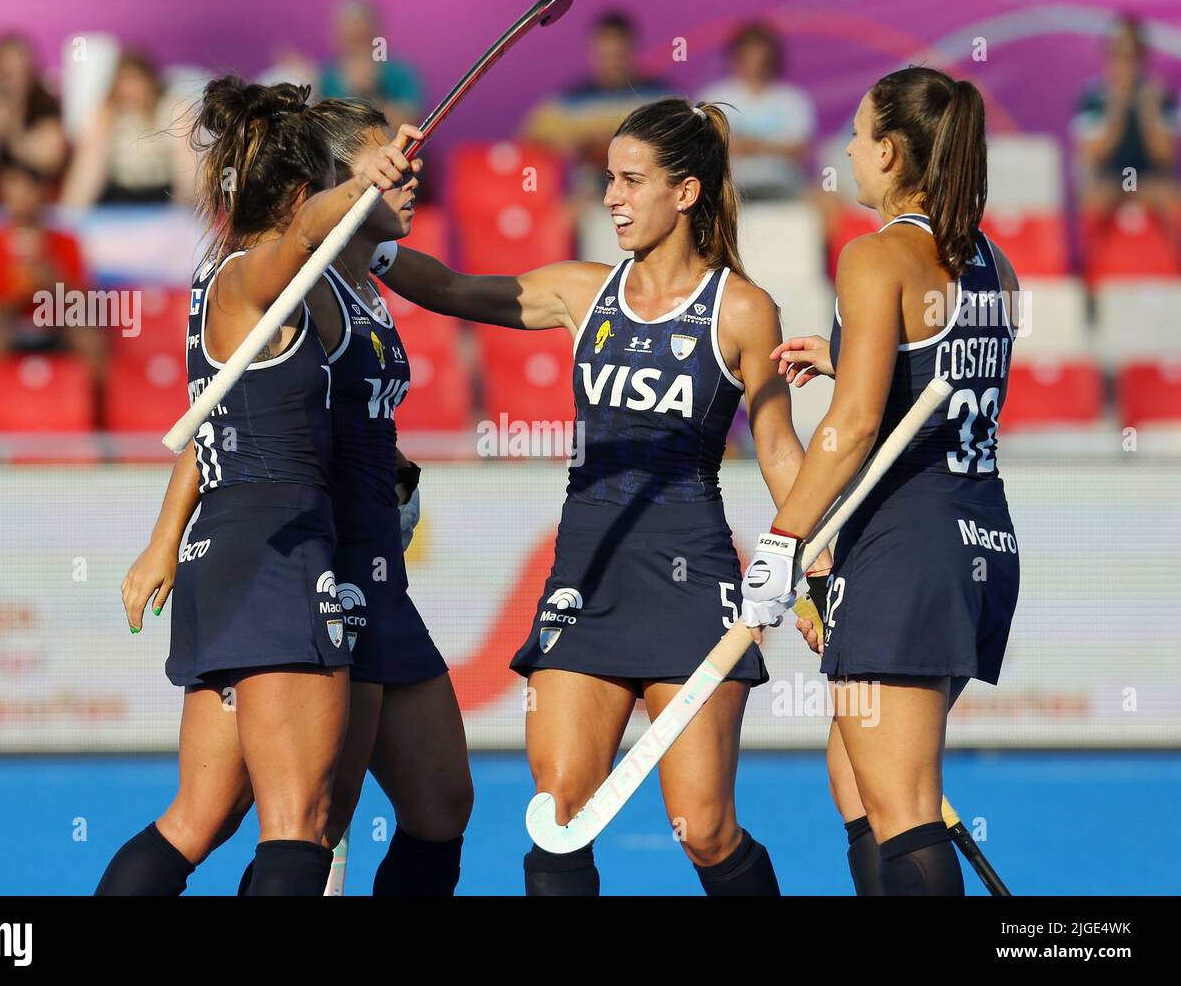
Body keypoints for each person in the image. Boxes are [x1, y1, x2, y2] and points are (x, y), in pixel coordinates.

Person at [377, 97, 827, 895]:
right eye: (607, 179)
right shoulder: (582, 292)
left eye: (631, 180)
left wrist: (812, 564)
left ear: (684, 193)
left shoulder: (742, 309)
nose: (612, 196)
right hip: (584, 576)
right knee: (557, 821)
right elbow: (448, 288)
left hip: (691, 580)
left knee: (706, 831)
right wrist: (362, 235)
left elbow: (780, 452)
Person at [94, 76, 419, 896]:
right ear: (306, 191)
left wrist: (162, 542)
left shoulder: (229, 277)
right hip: (279, 551)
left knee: (197, 820)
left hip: (226, 552)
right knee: (300, 828)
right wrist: (355, 189)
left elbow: (207, 429)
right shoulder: (258, 272)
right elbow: (308, 230)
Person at [750, 67, 1021, 895]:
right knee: (858, 780)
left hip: (908, 549)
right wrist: (849, 355)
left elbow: (854, 425)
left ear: (892, 151)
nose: (848, 150)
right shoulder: (994, 264)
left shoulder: (875, 258)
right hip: (978, 539)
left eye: (860, 136)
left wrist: (783, 538)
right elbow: (953, 377)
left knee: (903, 807)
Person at [0, 156, 101, 376]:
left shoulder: (67, 241)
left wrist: (54, 283)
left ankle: (99, 407)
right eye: (10, 189)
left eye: (25, 190)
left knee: (88, 336)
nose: (17, 198)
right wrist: (18, 296)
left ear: (40, 193)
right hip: (8, 325)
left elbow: (86, 302)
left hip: (56, 323)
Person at [521, 11, 671, 200]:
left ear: (632, 50)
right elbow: (532, 134)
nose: (613, 63)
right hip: (590, 198)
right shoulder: (572, 100)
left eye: (619, 54)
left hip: (646, 197)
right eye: (606, 54)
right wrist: (574, 144)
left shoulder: (660, 97)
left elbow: (680, 139)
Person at [1072, 14, 1180, 227]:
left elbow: (1165, 154)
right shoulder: (1093, 97)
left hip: (1149, 181)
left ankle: (1171, 259)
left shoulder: (1160, 95)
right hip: (1109, 181)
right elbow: (1094, 153)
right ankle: (1090, 259)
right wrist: (1116, 108)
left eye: (1130, 56)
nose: (1123, 64)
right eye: (1116, 55)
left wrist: (1148, 111)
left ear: (1141, 58)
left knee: (1172, 198)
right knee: (1092, 198)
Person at [697, 21, 815, 202]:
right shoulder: (715, 97)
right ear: (736, 58)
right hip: (729, 186)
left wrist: (750, 145)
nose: (755, 64)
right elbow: (711, 149)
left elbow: (799, 152)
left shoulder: (793, 99)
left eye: (761, 58)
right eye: (749, 56)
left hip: (782, 184)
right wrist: (773, 147)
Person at [61, 50, 195, 208]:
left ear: (150, 81)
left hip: (163, 195)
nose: (130, 88)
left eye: (135, 80)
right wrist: (70, 214)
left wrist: (182, 214)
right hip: (118, 197)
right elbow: (89, 168)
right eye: (123, 81)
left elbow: (188, 169)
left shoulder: (175, 108)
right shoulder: (107, 112)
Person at [0, 32, 67, 207]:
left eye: (20, 72)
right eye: (7, 74)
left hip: (39, 194)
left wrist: (12, 128)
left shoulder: (44, 101)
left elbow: (50, 159)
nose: (14, 81)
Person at [320, 0, 423, 130]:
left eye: (359, 31)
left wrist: (369, 94)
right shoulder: (326, 78)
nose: (353, 33)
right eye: (347, 29)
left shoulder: (398, 73)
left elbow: (408, 125)